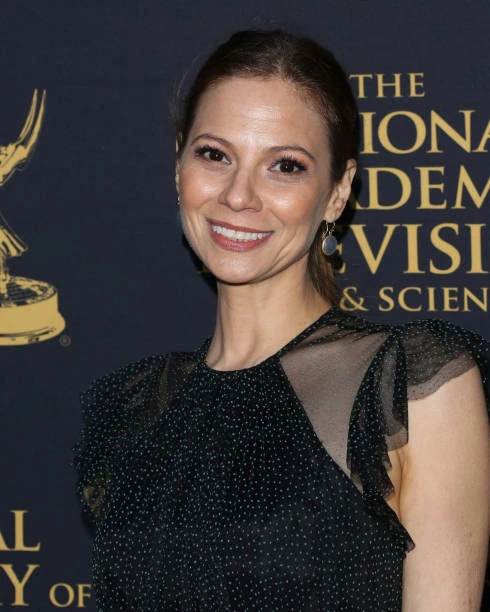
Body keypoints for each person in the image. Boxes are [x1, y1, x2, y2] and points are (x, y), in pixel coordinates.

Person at [74, 30, 490, 611]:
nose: (239, 195)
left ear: (338, 192)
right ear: (179, 162)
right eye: (215, 155)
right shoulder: (129, 410)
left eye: (285, 166)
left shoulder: (408, 384)